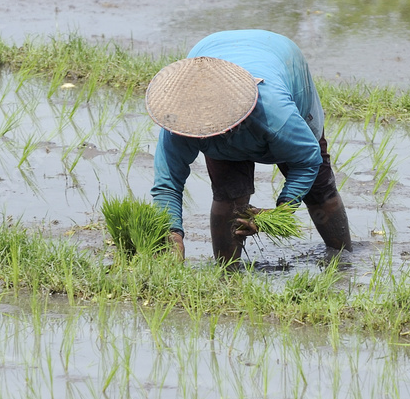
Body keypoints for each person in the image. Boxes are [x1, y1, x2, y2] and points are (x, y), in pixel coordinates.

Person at [147, 29, 352, 263]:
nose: (212, 134)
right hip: (211, 53)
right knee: (229, 194)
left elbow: (307, 160)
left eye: (217, 128)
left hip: (282, 55)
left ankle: (344, 261)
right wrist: (172, 234)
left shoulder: (276, 113)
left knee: (318, 189)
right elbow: (167, 184)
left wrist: (282, 211)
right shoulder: (181, 118)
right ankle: (228, 274)